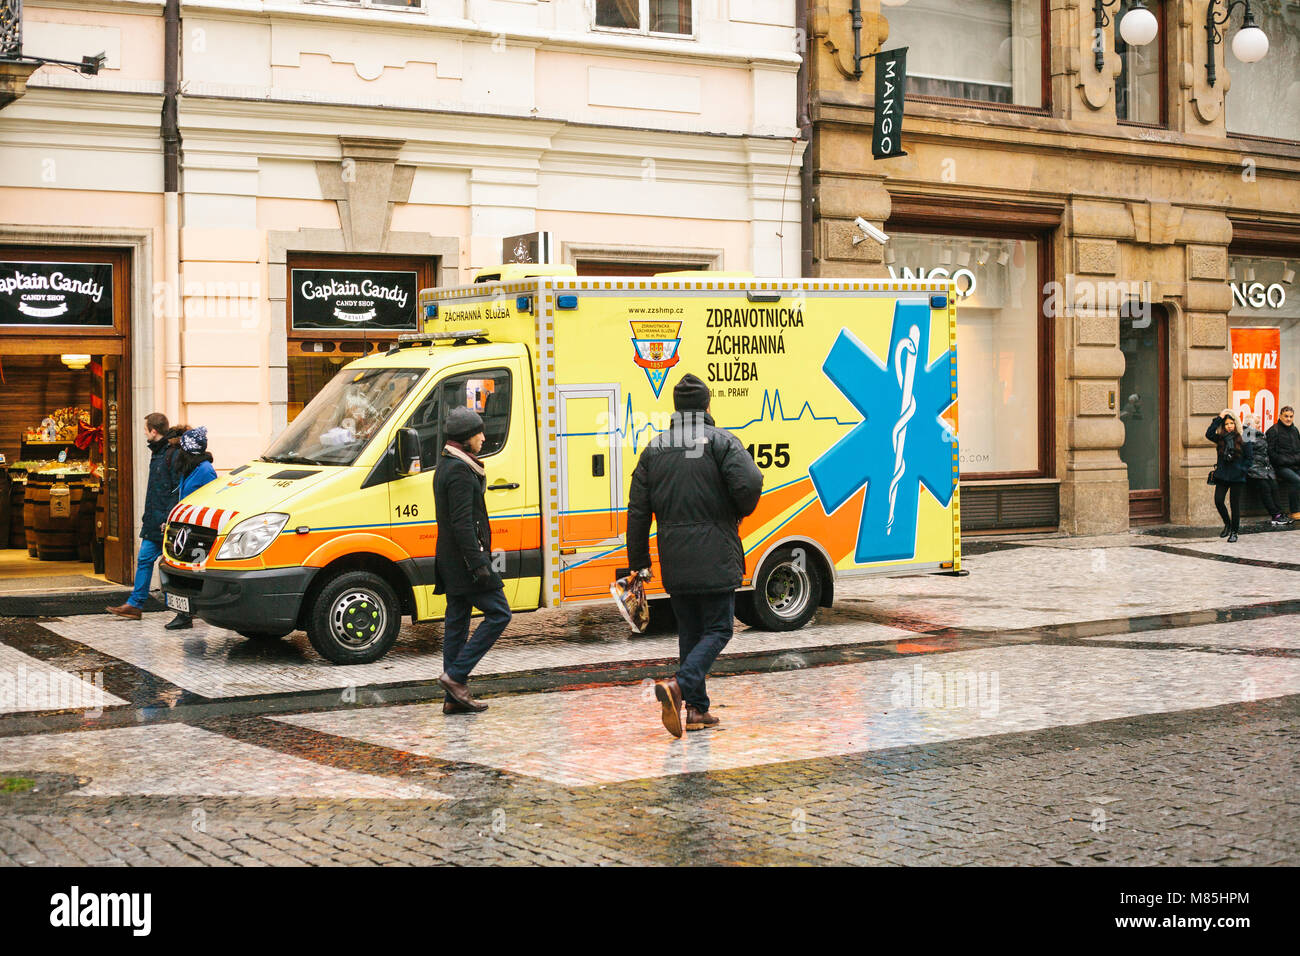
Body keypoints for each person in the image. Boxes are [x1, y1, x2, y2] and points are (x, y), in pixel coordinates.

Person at [627, 372, 764, 738]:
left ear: (676, 408)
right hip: (716, 552)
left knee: (689, 631)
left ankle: (697, 710)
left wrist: (638, 561)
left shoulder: (654, 449)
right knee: (719, 629)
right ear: (706, 405)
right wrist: (736, 511)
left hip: (674, 557)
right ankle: (680, 686)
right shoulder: (722, 442)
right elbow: (749, 484)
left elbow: (638, 510)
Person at [434, 406, 511, 714]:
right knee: (500, 614)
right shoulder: (459, 472)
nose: (483, 437)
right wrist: (479, 564)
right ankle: (455, 676)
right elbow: (462, 523)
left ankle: (453, 699)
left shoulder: (449, 465)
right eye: (478, 432)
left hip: (451, 561)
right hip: (467, 563)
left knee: (457, 623)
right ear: (466, 439)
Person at [107, 412, 181, 620]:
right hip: (155, 520)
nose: (144, 433)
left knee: (172, 564)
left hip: (163, 521)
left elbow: (175, 489)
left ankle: (180, 607)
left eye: (146, 429)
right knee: (146, 559)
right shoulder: (159, 452)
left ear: (154, 431)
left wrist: (167, 518)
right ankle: (136, 604)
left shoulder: (170, 454)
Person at [164, 426, 219, 630]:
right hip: (185, 530)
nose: (178, 452)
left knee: (193, 573)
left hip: (197, 531)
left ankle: (188, 614)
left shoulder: (204, 470)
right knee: (183, 571)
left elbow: (213, 500)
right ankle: (185, 613)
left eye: (181, 448)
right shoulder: (190, 469)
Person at [1206, 409, 1253, 543]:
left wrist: (1242, 470)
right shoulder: (1221, 437)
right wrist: (1219, 417)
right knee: (1218, 500)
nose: (1229, 426)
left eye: (1231, 423)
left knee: (1235, 505)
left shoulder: (1245, 435)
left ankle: (1234, 532)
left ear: (1236, 423)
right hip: (1222, 475)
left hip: (1237, 477)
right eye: (1226, 424)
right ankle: (1227, 523)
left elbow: (1250, 458)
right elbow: (1208, 434)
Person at [1240, 412, 1290, 528]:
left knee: (1274, 486)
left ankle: (1280, 513)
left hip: (1265, 468)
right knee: (1266, 488)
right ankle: (1275, 515)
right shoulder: (1248, 434)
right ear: (1249, 424)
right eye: (1257, 423)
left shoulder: (1258, 434)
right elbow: (1248, 454)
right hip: (1254, 470)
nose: (1259, 425)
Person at [1266, 405, 1300, 520]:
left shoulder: (1295, 430)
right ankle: (1294, 511)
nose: (1288, 419)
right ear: (1280, 416)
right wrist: (1283, 461)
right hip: (1280, 467)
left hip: (1295, 465)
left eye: (1291, 416)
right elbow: (1271, 453)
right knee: (1296, 480)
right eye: (1286, 416)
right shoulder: (1273, 430)